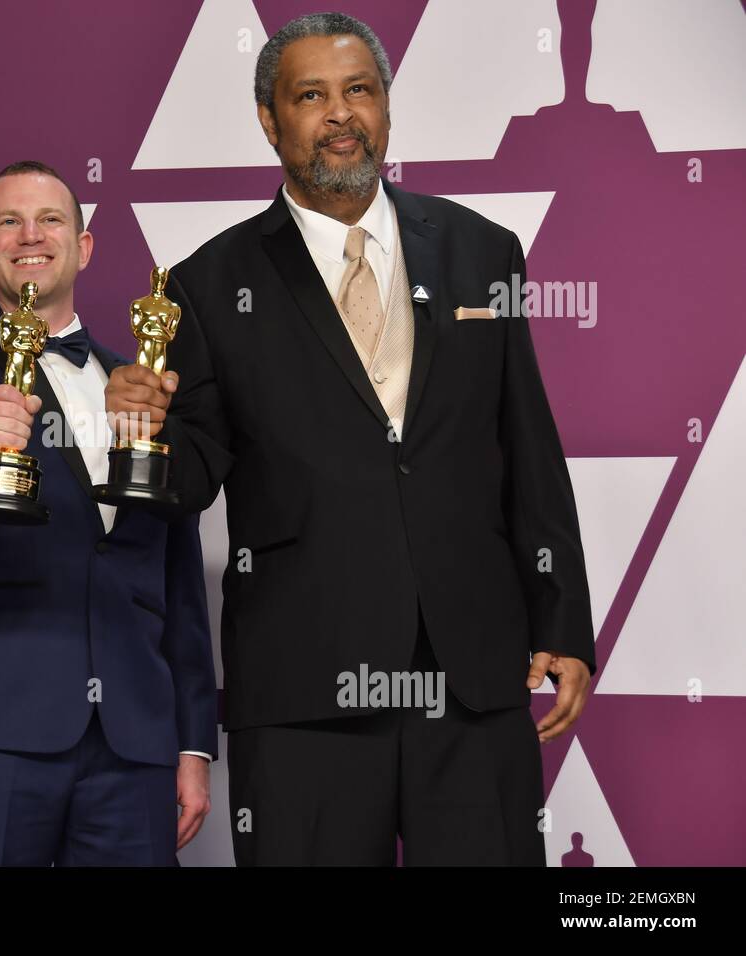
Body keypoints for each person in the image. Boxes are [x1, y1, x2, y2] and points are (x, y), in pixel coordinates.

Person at [105, 13, 595, 865]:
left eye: (358, 90)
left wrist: (564, 617)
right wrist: (136, 427)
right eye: (311, 96)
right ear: (271, 121)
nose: (340, 114)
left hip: (471, 676)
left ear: (387, 108)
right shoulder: (209, 283)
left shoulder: (484, 251)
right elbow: (190, 480)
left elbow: (527, 446)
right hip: (304, 687)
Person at [0, 161, 217, 866]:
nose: (29, 236)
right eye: (7, 222)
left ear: (85, 245)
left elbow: (176, 571)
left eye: (49, 220)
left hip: (135, 741)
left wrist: (194, 740)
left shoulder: (139, 382)